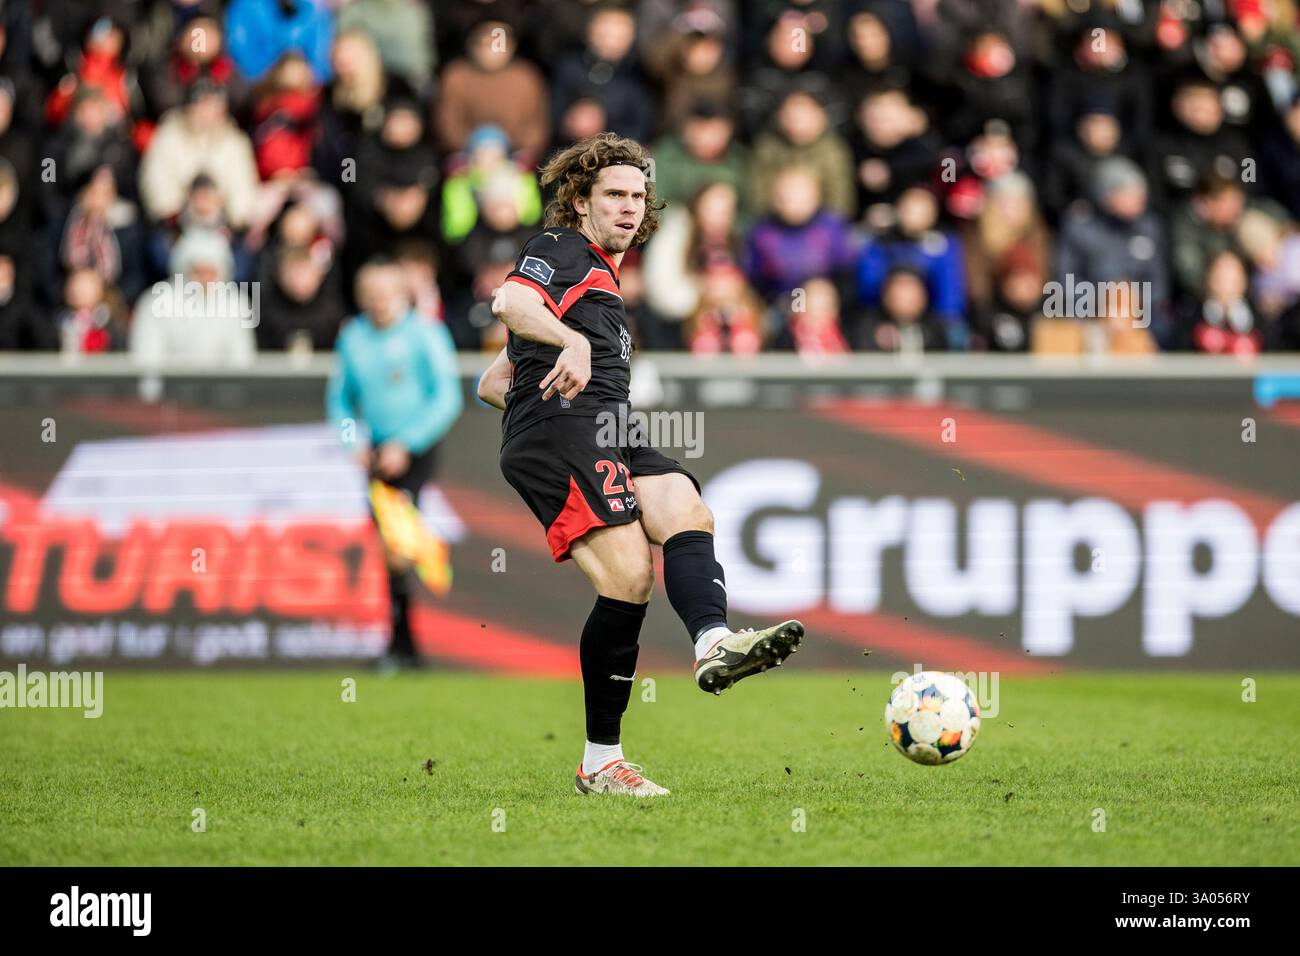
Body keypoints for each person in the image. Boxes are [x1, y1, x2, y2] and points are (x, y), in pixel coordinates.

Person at [478, 133, 804, 798]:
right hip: (564, 431)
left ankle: (713, 641)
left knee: (687, 508)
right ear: (580, 201)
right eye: (614, 195)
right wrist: (569, 345)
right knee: (629, 576)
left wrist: (546, 362)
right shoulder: (559, 248)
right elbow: (508, 305)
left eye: (637, 196)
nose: (629, 207)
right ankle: (602, 762)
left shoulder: (601, 276)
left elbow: (495, 378)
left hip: (608, 427)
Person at [326, 260, 463, 667]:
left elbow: (447, 397)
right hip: (377, 450)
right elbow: (340, 399)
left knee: (397, 543)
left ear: (402, 294)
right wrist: (352, 442)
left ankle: (405, 645)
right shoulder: (354, 337)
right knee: (391, 545)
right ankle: (403, 645)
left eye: (386, 294)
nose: (379, 303)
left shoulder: (425, 334)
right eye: (371, 295)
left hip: (415, 450)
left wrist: (407, 443)